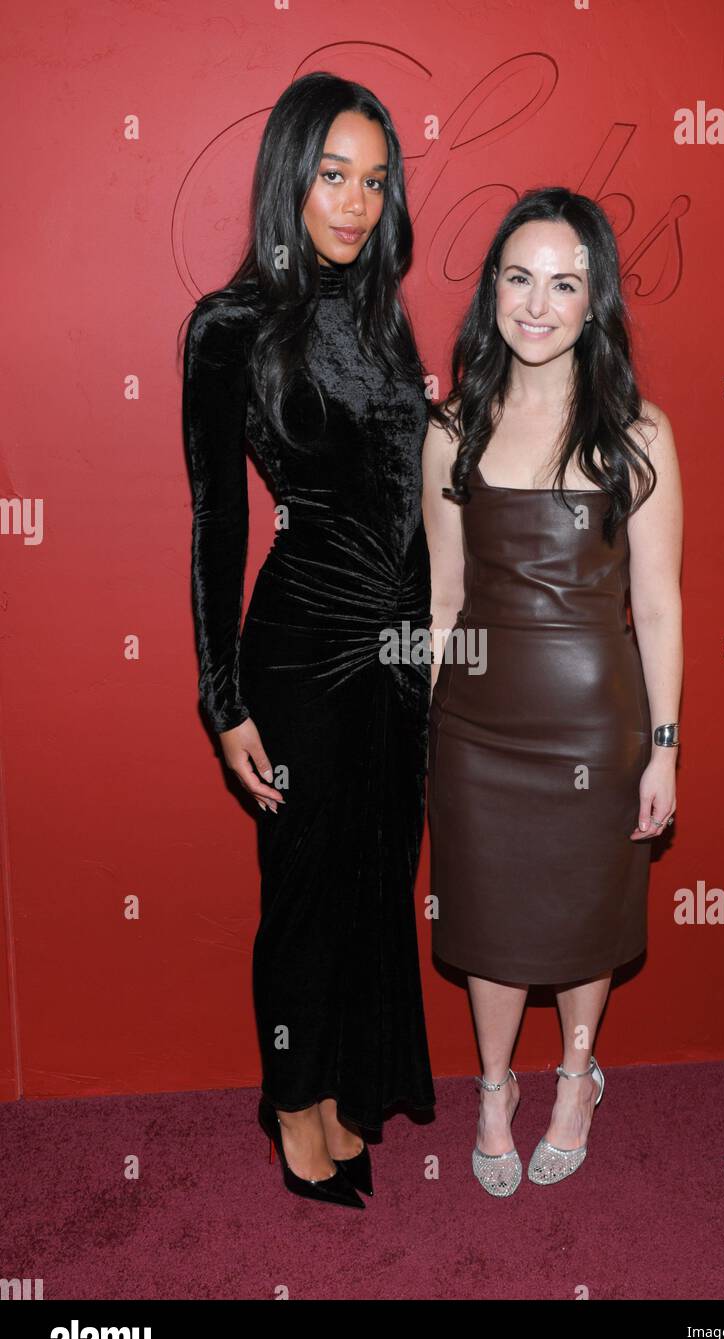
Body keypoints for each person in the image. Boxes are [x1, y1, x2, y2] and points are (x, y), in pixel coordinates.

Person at [181, 73, 437, 1211]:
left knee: (371, 882)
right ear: (289, 175)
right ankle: (290, 1102)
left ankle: (338, 1084)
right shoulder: (227, 326)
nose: (354, 202)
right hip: (295, 654)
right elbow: (218, 518)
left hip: (394, 656)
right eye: (332, 175)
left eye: (374, 181)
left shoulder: (386, 317)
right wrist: (220, 695)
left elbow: (410, 491)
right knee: (299, 887)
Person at [422, 188, 683, 1197]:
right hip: (478, 726)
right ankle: (492, 1087)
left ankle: (575, 1074)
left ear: (593, 302)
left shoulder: (638, 435)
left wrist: (662, 744)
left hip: (593, 720)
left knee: (581, 916)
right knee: (487, 915)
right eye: (518, 277)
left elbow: (656, 605)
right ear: (492, 288)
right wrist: (429, 726)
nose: (537, 303)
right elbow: (443, 599)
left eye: (563, 283)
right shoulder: (449, 428)